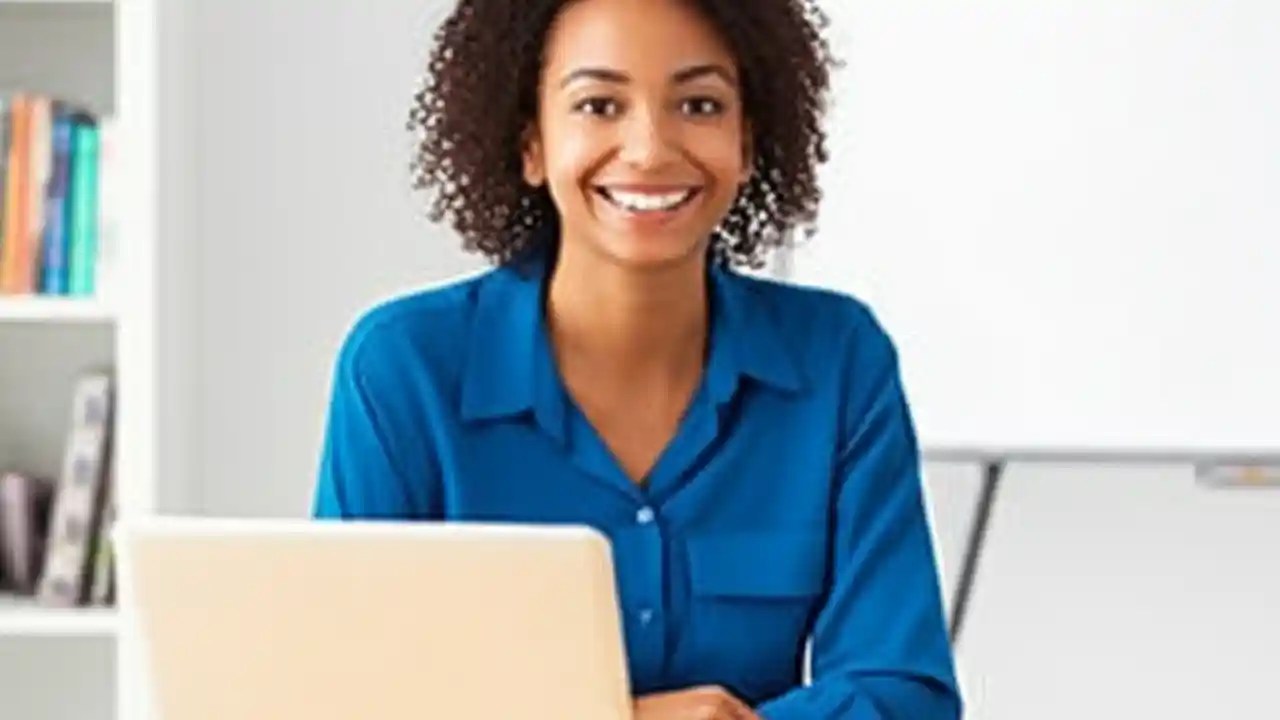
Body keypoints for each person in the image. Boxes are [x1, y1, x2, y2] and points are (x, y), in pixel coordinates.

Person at [313, 0, 962, 717]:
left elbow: (904, 693)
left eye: (699, 105)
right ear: (531, 143)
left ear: (747, 142)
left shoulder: (837, 362)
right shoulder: (404, 372)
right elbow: (347, 691)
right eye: (599, 105)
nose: (650, 149)